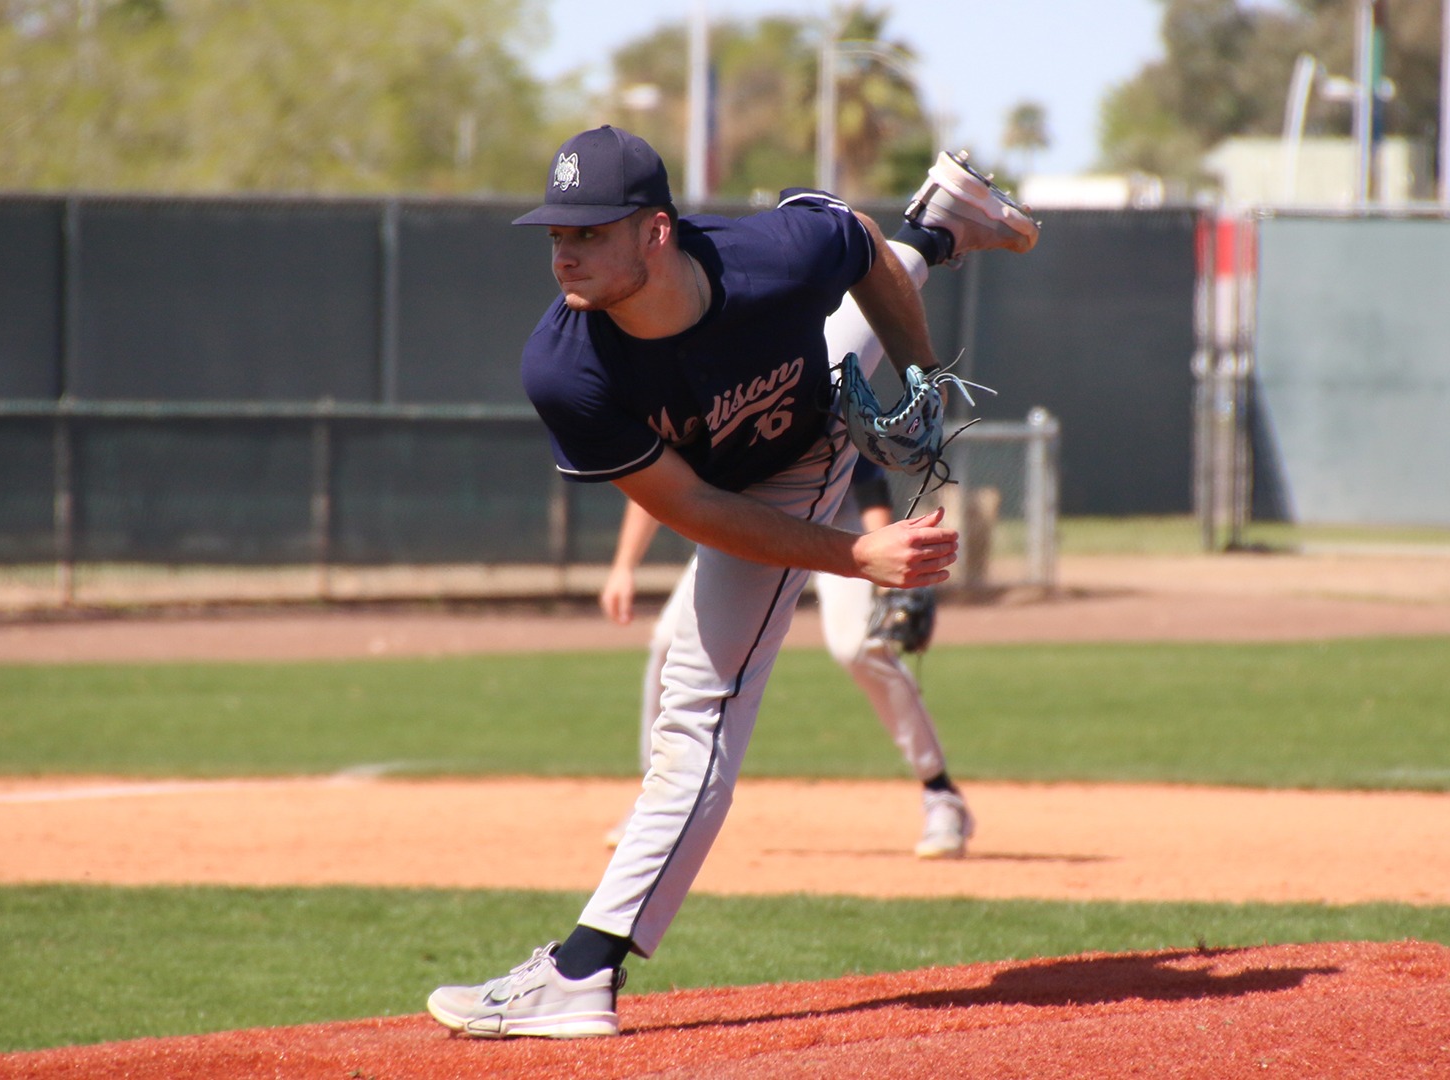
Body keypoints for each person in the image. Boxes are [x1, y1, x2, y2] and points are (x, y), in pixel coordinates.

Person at [426, 126, 1039, 1040]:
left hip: (806, 443)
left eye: (591, 231)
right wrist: (850, 556)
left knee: (699, 709)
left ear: (657, 231)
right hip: (738, 487)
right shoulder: (565, 366)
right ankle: (942, 224)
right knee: (692, 673)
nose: (566, 250)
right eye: (557, 231)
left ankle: (583, 975)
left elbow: (859, 249)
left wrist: (923, 377)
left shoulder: (775, 253)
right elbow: (693, 508)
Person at [597, 454, 975, 860]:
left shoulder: (814, 394)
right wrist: (623, 565)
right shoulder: (688, 396)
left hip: (836, 515)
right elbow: (652, 479)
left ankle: (941, 794)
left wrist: (886, 570)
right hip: (745, 514)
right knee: (669, 641)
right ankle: (656, 798)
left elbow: (867, 479)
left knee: (858, 648)